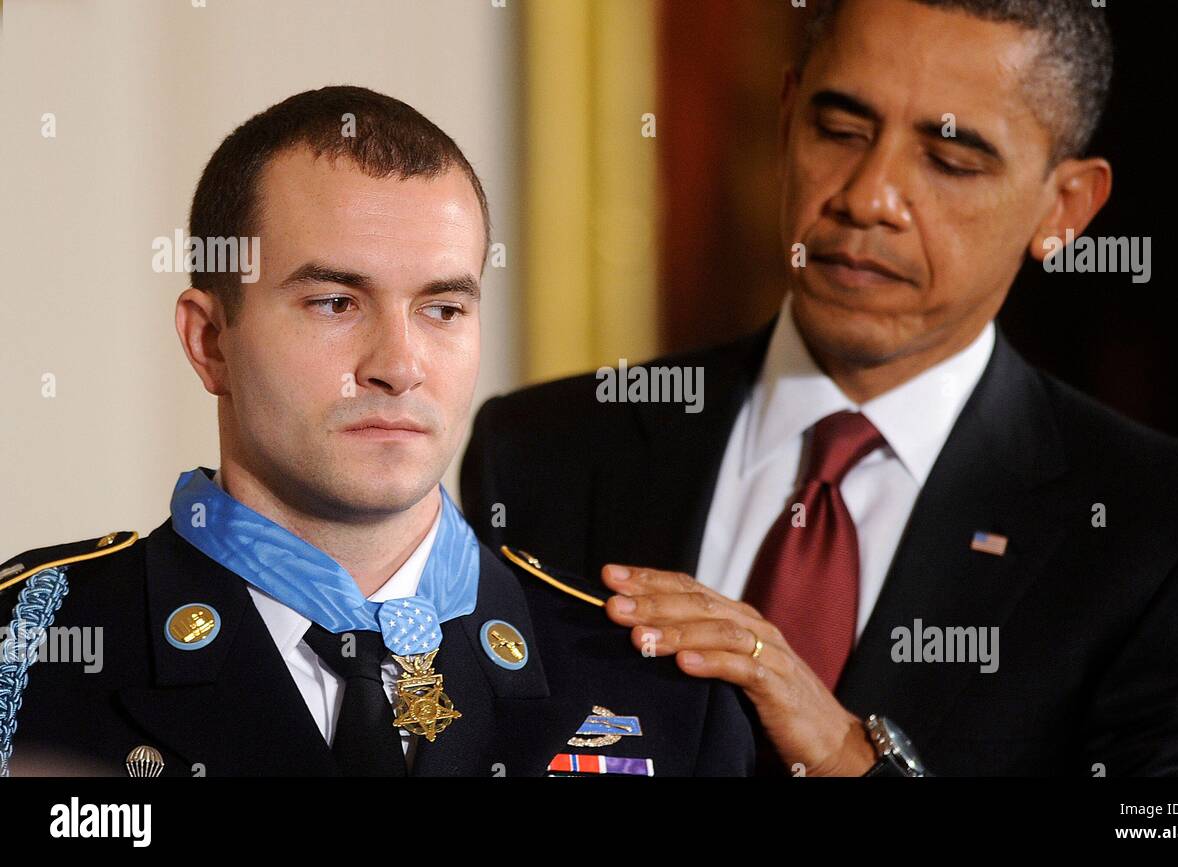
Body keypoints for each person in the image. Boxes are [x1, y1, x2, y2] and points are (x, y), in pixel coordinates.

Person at [462, 0, 1178, 776]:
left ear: (1064, 208)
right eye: (841, 129)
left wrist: (847, 756)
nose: (868, 197)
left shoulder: (1173, 545)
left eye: (951, 159)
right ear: (786, 120)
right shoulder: (542, 452)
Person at [0, 86, 753, 778]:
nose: (398, 365)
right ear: (210, 342)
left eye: (443, 308)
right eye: (335, 302)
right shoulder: (26, 654)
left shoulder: (658, 685)